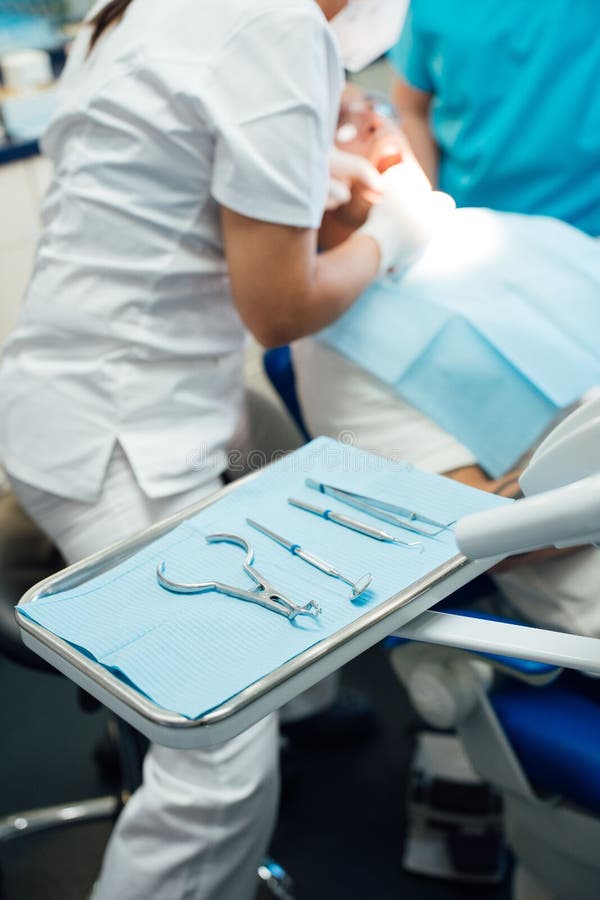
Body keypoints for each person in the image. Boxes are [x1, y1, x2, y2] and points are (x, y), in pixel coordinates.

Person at [0, 3, 437, 899]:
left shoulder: (139, 9)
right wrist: (398, 229)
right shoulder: (277, 24)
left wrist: (324, 171)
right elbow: (279, 308)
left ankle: (304, 697)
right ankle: (248, 719)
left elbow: (170, 181)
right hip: (118, 435)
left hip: (70, 388)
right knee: (220, 763)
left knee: (287, 458)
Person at [292, 87, 600, 638]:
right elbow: (457, 534)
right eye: (337, 123)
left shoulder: (520, 233)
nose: (370, 121)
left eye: (372, 105)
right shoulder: (338, 349)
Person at [389, 0, 600, 237]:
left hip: (587, 226)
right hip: (469, 224)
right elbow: (410, 108)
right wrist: (424, 210)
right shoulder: (430, 7)